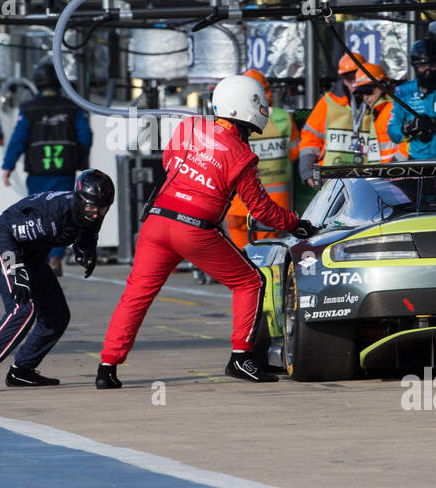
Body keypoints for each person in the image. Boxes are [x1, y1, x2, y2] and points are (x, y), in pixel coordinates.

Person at [98, 74, 317, 387]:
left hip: (157, 223)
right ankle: (240, 359)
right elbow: (262, 210)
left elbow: (169, 162)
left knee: (135, 295)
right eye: (260, 104)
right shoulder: (242, 156)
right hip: (195, 230)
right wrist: (296, 223)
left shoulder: (189, 127)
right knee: (250, 281)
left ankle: (107, 367)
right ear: (248, 108)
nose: (264, 109)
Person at [0, 169, 115, 391]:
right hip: (4, 248)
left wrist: (85, 252)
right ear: (79, 199)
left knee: (57, 315)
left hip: (33, 257)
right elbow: (5, 233)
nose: (95, 213)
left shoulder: (91, 213)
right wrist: (16, 271)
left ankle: (22, 370)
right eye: (91, 206)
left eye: (101, 207)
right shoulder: (50, 215)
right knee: (23, 309)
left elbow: (88, 232)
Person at [1, 62, 93, 276]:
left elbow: (18, 140)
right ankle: (56, 256)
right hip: (65, 171)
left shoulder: (28, 109)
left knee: (38, 214)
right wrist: (81, 159)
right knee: (64, 213)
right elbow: (85, 137)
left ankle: (40, 258)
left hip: (37, 172)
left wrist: (7, 166)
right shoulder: (72, 108)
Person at [225, 69, 300, 248]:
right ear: (266, 93)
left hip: (237, 203)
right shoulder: (284, 118)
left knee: (242, 257)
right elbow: (295, 153)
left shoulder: (228, 120)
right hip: (273, 203)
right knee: (266, 256)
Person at [299, 51, 376, 187]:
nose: (353, 83)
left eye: (356, 77)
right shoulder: (328, 102)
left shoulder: (376, 103)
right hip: (330, 180)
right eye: (348, 78)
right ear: (343, 79)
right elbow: (310, 138)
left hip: (368, 179)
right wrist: (307, 171)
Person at [386, 38, 436, 160]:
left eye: (432, 65)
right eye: (423, 66)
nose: (428, 71)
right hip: (418, 161)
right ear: (415, 67)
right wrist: (410, 126)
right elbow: (393, 132)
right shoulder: (403, 92)